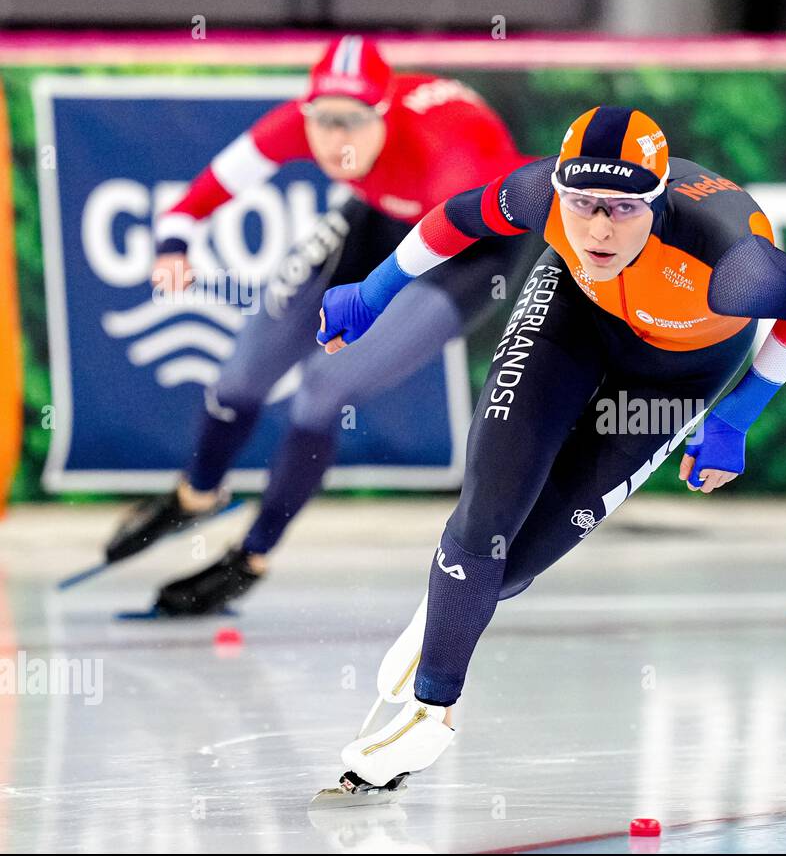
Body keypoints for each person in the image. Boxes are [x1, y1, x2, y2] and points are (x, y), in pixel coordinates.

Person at [313, 106, 786, 798]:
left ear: (655, 203)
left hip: (677, 374)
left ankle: (450, 608)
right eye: (584, 203)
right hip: (573, 313)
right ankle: (432, 714)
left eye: (623, 209)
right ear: (560, 189)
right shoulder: (541, 198)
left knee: (513, 562)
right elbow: (455, 219)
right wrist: (373, 292)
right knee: (486, 514)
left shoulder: (733, 268)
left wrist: (738, 414)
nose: (598, 228)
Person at [104, 35, 535, 615]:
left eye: (354, 123)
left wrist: (370, 300)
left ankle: (252, 556)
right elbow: (190, 204)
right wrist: (172, 248)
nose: (337, 142)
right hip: (378, 217)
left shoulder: (448, 149)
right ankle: (196, 494)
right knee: (240, 377)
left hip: (466, 249)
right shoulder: (298, 125)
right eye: (324, 122)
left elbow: (445, 239)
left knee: (322, 388)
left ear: (386, 115)